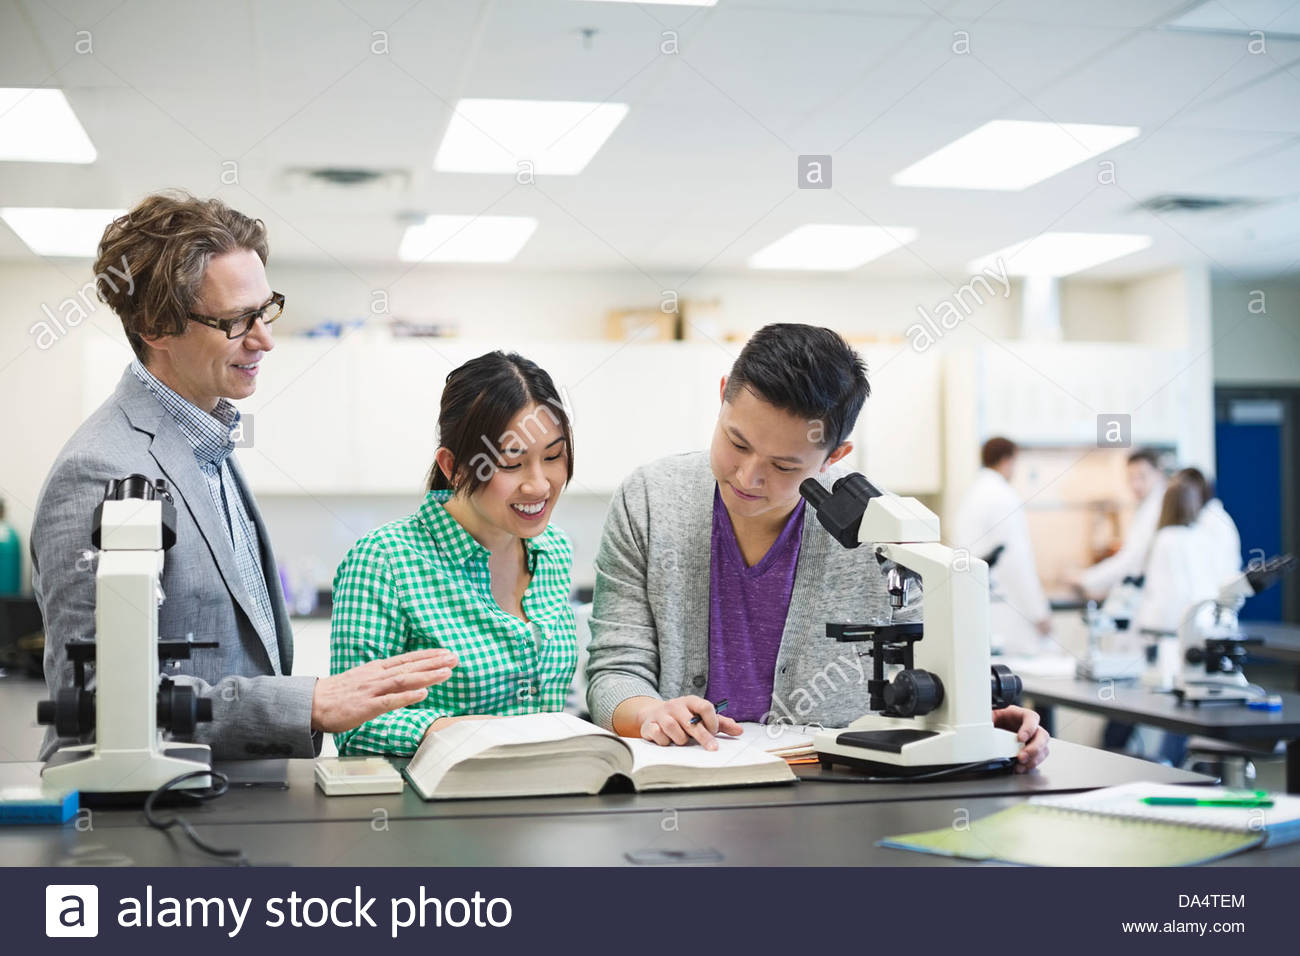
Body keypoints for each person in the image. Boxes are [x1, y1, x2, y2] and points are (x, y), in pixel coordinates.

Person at [32, 192, 454, 761]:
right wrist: (305, 704)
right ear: (156, 327)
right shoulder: (100, 470)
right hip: (148, 822)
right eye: (235, 321)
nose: (264, 338)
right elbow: (99, 701)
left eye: (265, 309)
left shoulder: (208, 442)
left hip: (228, 802)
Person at [584, 323, 1049, 772]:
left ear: (834, 457)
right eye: (737, 442)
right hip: (684, 787)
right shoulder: (649, 500)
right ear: (723, 395)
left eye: (784, 465)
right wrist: (647, 713)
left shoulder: (882, 531)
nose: (749, 477)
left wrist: (974, 718)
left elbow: (931, 676)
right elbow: (614, 670)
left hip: (835, 791)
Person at [330, 352, 578, 756]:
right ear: (453, 466)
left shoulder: (554, 552)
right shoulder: (384, 561)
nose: (539, 485)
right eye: (512, 464)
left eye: (552, 457)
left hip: (542, 797)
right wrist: (461, 731)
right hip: (430, 810)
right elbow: (354, 726)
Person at [951, 437, 1053, 655]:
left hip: (983, 605)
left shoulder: (973, 495)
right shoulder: (1002, 496)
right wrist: (1038, 612)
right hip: (1007, 611)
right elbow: (1017, 560)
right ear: (1007, 460)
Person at [1069, 449, 1166, 602]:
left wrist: (1085, 579)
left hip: (1157, 598)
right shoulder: (1147, 507)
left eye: (1142, 476)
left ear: (1159, 473)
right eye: (1131, 478)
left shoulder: (1156, 509)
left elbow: (1130, 560)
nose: (1136, 484)